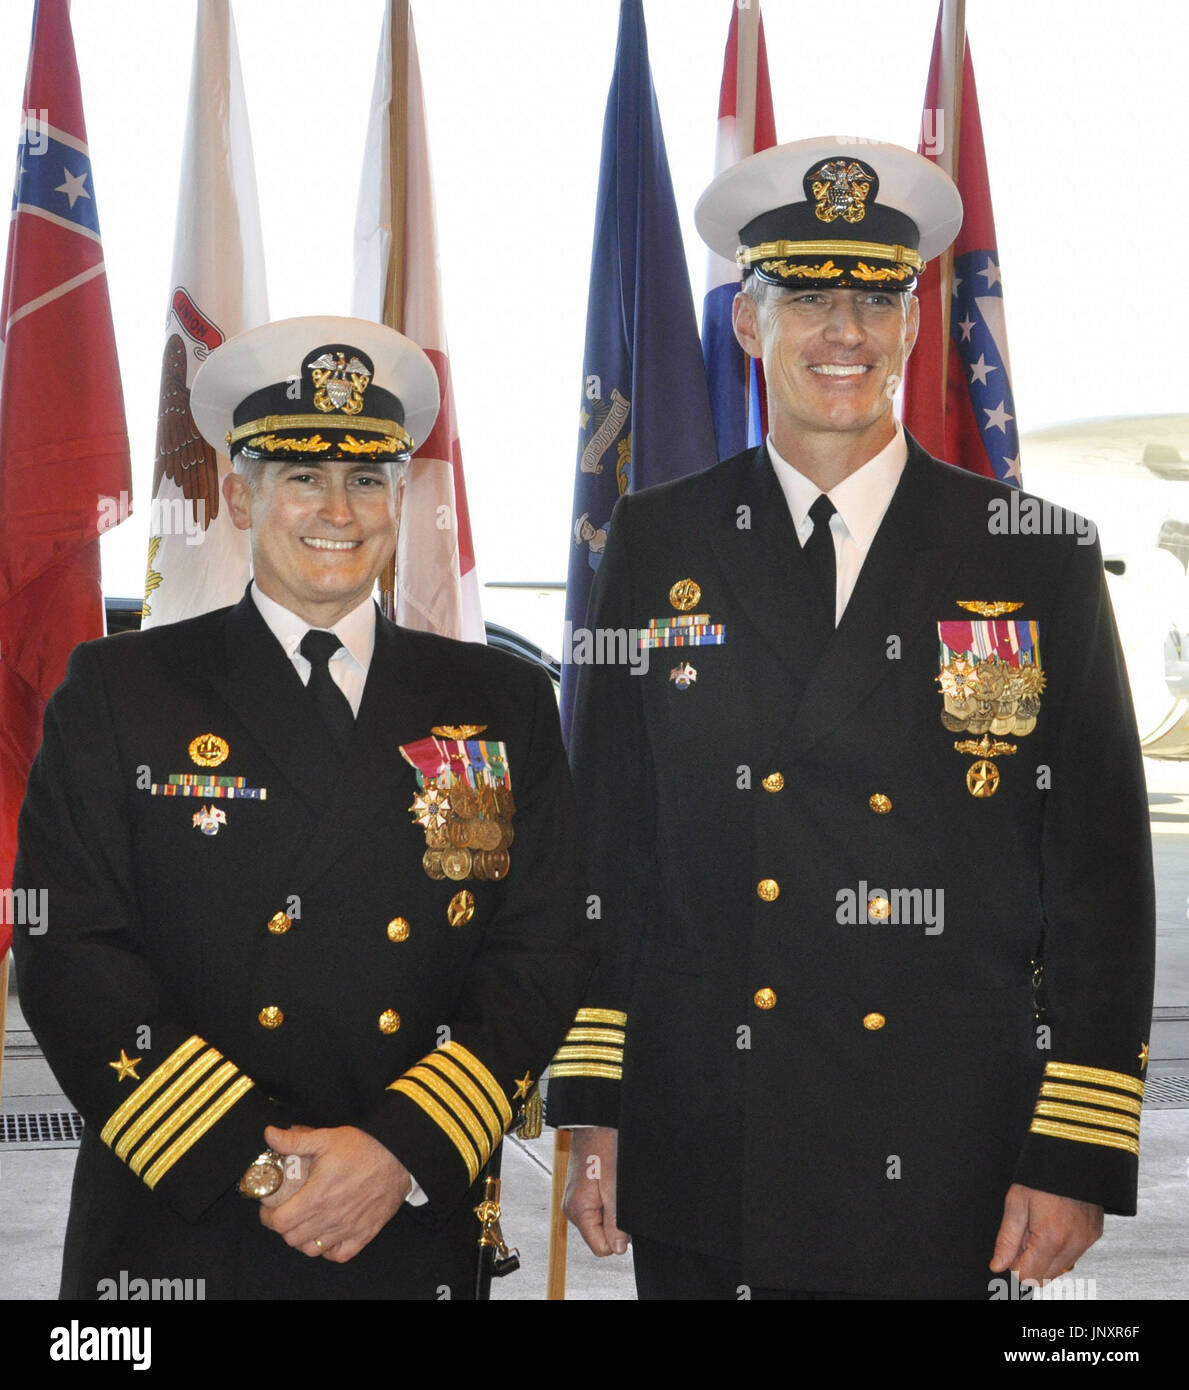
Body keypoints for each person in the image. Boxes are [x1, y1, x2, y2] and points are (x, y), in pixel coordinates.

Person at [547, 139, 1156, 1299]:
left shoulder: (1037, 556)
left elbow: (1099, 881)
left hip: (942, 1143)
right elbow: (607, 847)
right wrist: (595, 1104)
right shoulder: (657, 542)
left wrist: (1074, 1146)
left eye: (876, 298)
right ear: (746, 323)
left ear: (914, 328)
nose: (846, 330)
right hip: (703, 1123)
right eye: (809, 296)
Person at [13, 315, 592, 1300]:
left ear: (400, 496)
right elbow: (71, 952)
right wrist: (263, 1164)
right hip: (182, 1222)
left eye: (366, 477)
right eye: (301, 475)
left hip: (410, 1216)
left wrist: (397, 1152)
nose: (338, 508)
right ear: (240, 493)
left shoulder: (500, 701)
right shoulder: (120, 692)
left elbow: (543, 949)